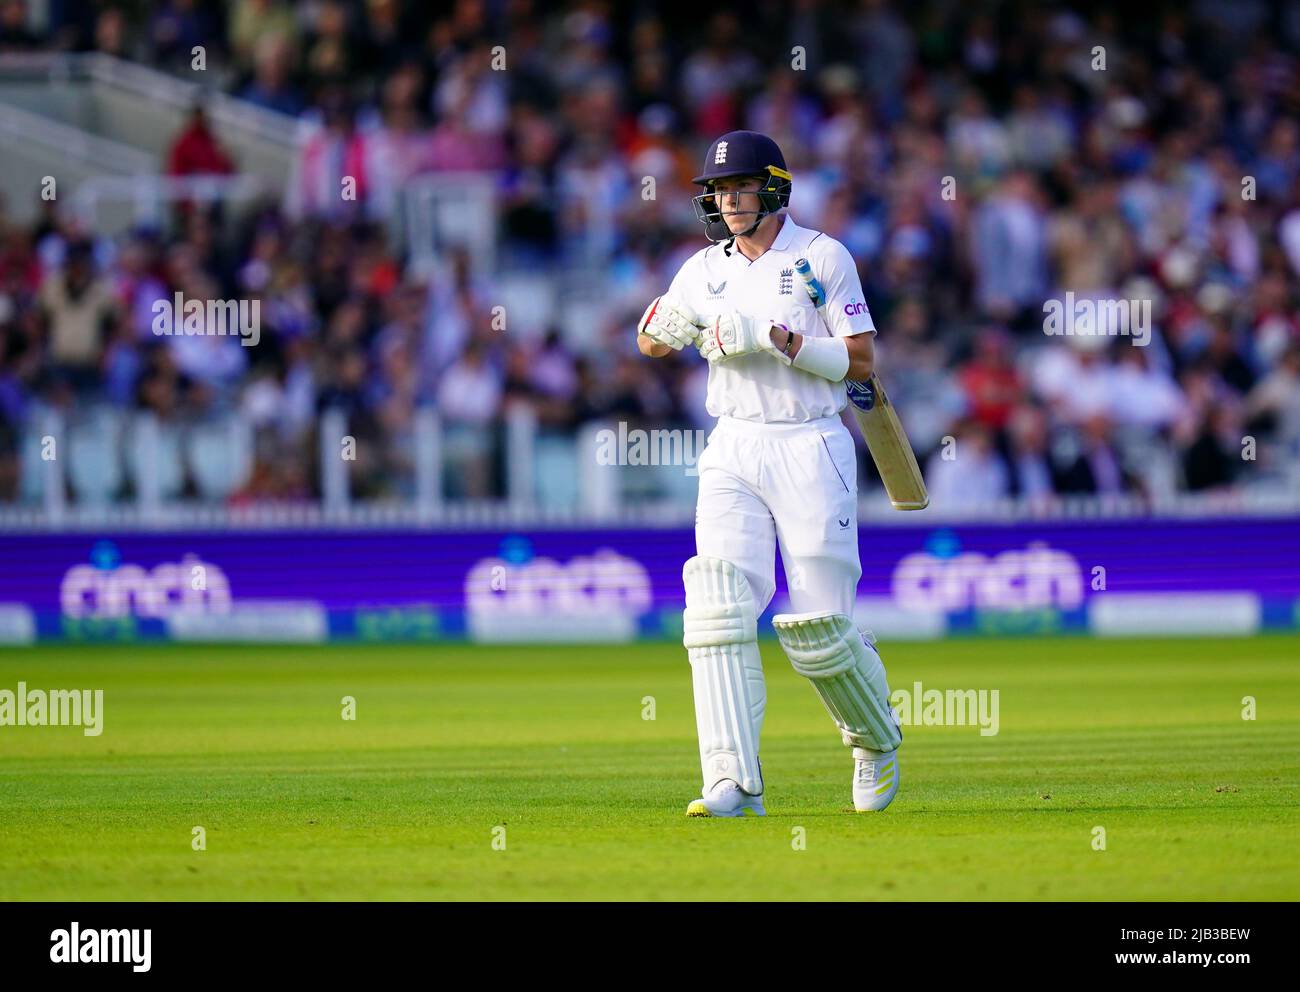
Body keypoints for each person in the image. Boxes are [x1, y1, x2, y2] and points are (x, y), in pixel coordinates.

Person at [636, 130, 902, 817]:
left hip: (810, 442)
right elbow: (649, 342)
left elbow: (861, 364)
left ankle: (873, 741)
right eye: (717, 191)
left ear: (774, 189)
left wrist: (776, 340)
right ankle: (731, 781)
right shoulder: (702, 269)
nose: (726, 201)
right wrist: (673, 324)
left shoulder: (821, 258)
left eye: (738, 187)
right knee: (717, 607)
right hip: (732, 444)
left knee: (820, 627)